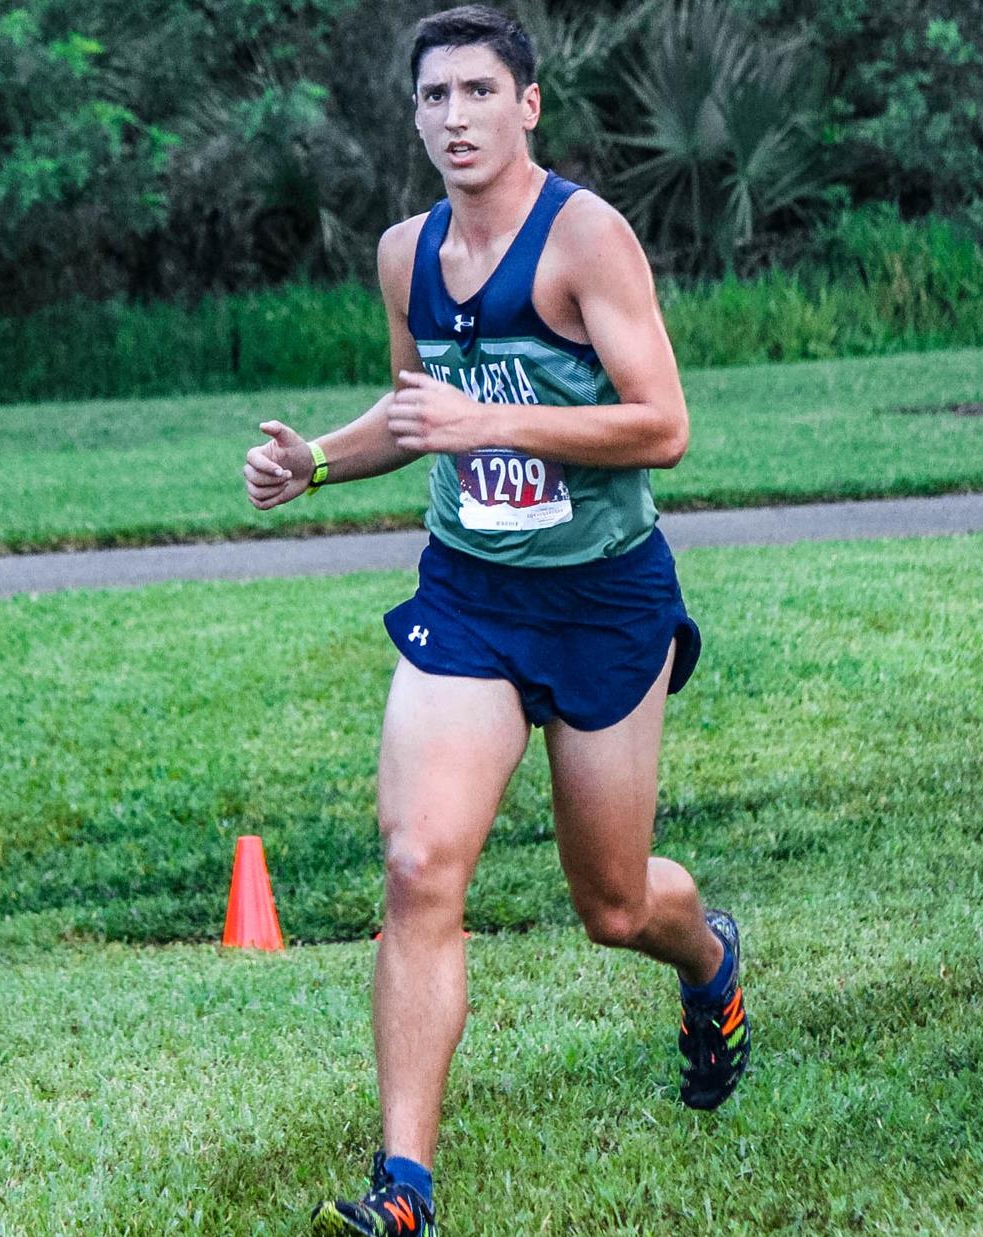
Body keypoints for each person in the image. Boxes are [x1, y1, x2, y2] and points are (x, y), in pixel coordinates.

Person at [241, 8, 748, 1233]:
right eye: (434, 97)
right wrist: (313, 461)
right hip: (468, 593)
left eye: (478, 92)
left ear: (527, 106)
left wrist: (496, 424)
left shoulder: (586, 238)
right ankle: (402, 1189)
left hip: (602, 597)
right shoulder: (405, 254)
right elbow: (418, 411)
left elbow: (663, 426)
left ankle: (710, 960)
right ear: (412, 115)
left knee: (614, 904)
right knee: (419, 865)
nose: (454, 117)